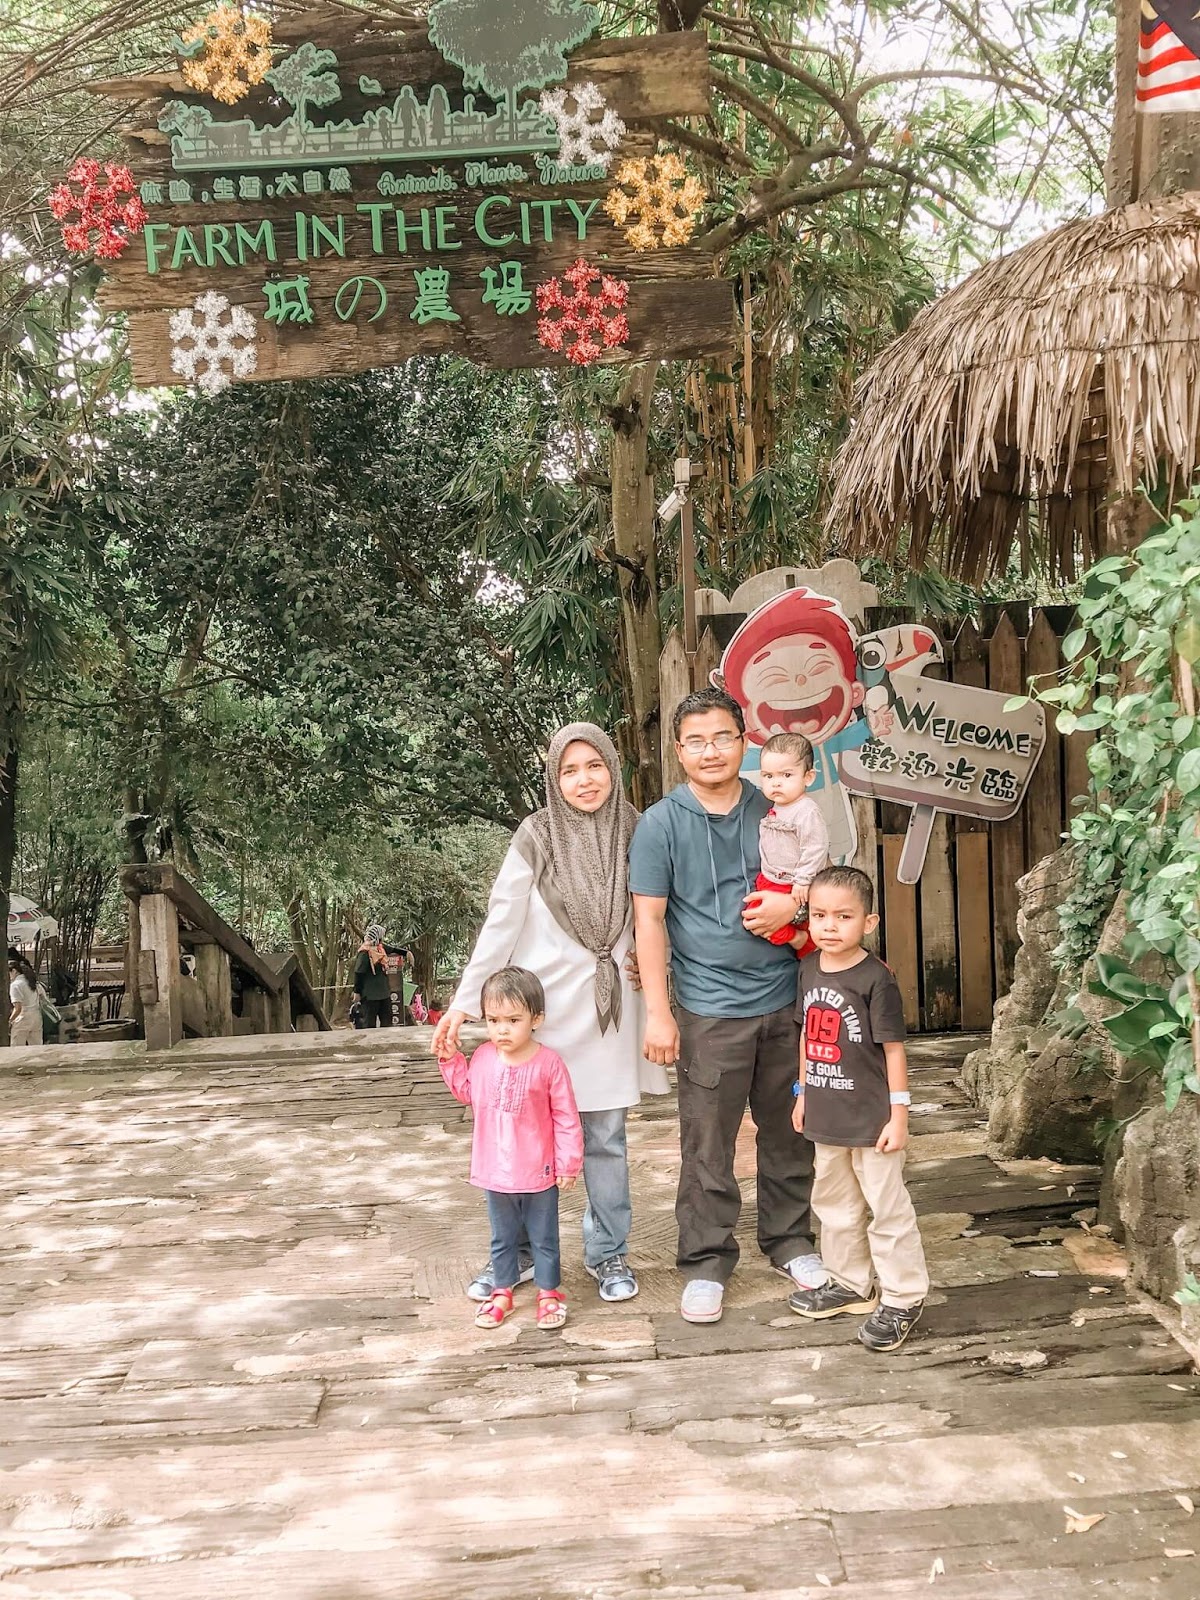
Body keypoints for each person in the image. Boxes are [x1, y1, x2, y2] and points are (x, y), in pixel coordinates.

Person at [433, 722, 668, 1305]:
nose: (585, 780)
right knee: (522, 1136)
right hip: (543, 1018)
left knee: (606, 1137)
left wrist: (657, 965)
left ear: (613, 768)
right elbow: (502, 919)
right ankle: (514, 1256)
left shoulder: (639, 829)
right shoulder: (535, 835)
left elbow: (662, 911)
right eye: (570, 770)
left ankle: (608, 1252)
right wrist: (465, 1001)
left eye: (596, 766)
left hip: (610, 1012)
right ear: (553, 779)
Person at [630, 687, 825, 1325]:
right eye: (696, 741)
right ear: (678, 750)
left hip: (786, 997)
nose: (710, 751)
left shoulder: (779, 805)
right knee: (707, 1142)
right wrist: (659, 1012)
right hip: (709, 1008)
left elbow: (826, 887)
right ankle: (707, 1262)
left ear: (745, 742)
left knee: (790, 1129)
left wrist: (794, 905)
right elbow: (649, 921)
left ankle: (791, 1242)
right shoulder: (660, 824)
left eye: (722, 737)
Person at [788, 866, 929, 1351]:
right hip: (827, 1113)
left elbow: (893, 1050)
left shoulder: (876, 979)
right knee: (834, 1205)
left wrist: (899, 1114)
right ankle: (850, 1284)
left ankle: (904, 1297)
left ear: (868, 922)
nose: (829, 926)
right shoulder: (808, 968)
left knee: (887, 1209)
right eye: (819, 915)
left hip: (873, 1120)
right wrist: (803, 1093)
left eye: (843, 917)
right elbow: (807, 1035)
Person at [437, 966, 583, 1331]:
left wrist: (567, 1163)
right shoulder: (483, 1057)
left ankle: (548, 1293)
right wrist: (451, 1060)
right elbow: (468, 1092)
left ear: (536, 1019)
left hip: (539, 1172)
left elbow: (565, 1116)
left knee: (544, 1239)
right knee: (502, 1238)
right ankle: (502, 1290)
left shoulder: (549, 1064)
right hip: (495, 1172)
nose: (502, 1029)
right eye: (494, 1020)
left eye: (513, 1020)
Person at [747, 732, 829, 952]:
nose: (776, 783)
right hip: (770, 877)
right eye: (768, 776)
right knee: (755, 916)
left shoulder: (806, 811)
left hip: (794, 882)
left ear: (808, 777)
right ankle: (801, 942)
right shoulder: (776, 807)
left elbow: (815, 847)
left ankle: (799, 940)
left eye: (786, 775)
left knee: (765, 917)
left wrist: (803, 880)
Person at [353, 924, 392, 1028]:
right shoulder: (365, 952)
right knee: (369, 1025)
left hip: (383, 993)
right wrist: (357, 992)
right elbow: (359, 972)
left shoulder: (380, 949)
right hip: (370, 995)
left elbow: (392, 949)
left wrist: (406, 952)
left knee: (387, 1024)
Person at [9, 955, 42, 1047]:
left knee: (17, 1048)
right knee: (37, 1047)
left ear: (14, 971)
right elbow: (42, 997)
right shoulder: (32, 982)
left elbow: (18, 1008)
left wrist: (10, 1020)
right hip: (36, 1016)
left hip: (23, 1018)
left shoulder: (15, 985)